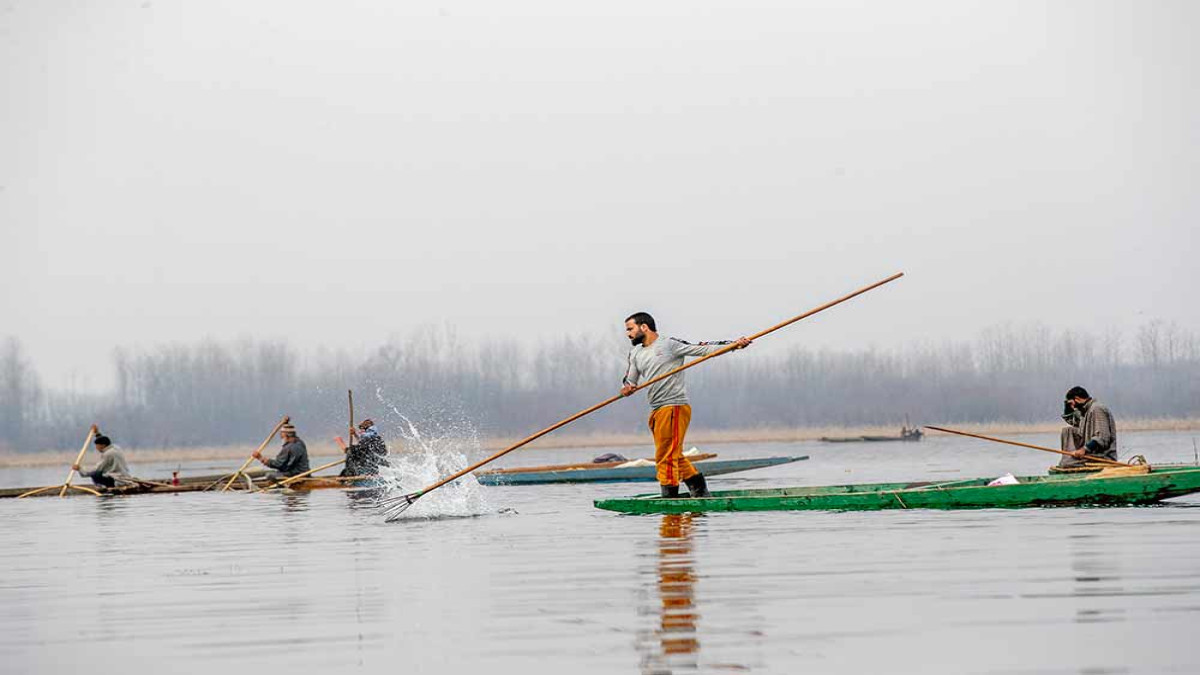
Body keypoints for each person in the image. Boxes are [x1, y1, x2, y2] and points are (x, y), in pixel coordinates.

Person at [619, 312, 751, 498]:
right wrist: (627, 388)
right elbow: (630, 379)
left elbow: (702, 349)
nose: (628, 334)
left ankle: (670, 494)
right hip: (656, 408)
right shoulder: (635, 353)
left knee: (665, 456)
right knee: (671, 452)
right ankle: (698, 488)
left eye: (630, 329)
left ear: (644, 327)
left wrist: (734, 345)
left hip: (674, 406)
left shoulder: (669, 345)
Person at [1058, 386, 1118, 467]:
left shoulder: (1096, 409)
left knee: (1066, 464)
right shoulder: (1085, 411)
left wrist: (1084, 449)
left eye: (1072, 404)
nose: (1073, 407)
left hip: (1103, 457)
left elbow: (1102, 437)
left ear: (1077, 399)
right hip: (1090, 455)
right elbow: (1072, 420)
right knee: (1067, 430)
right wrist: (1067, 406)